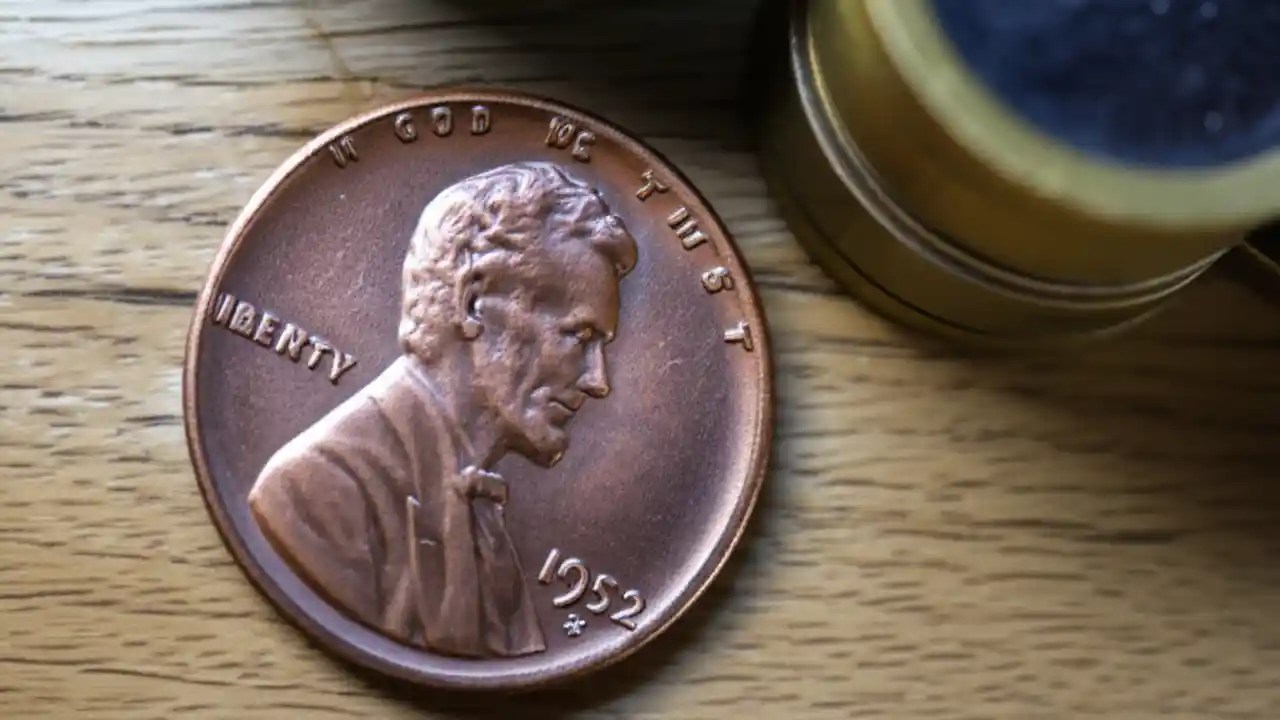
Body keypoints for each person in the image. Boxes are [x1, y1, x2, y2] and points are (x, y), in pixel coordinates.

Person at [247, 162, 638, 658]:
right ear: (472, 303)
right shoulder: (313, 491)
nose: (597, 380)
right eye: (578, 336)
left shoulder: (480, 510)